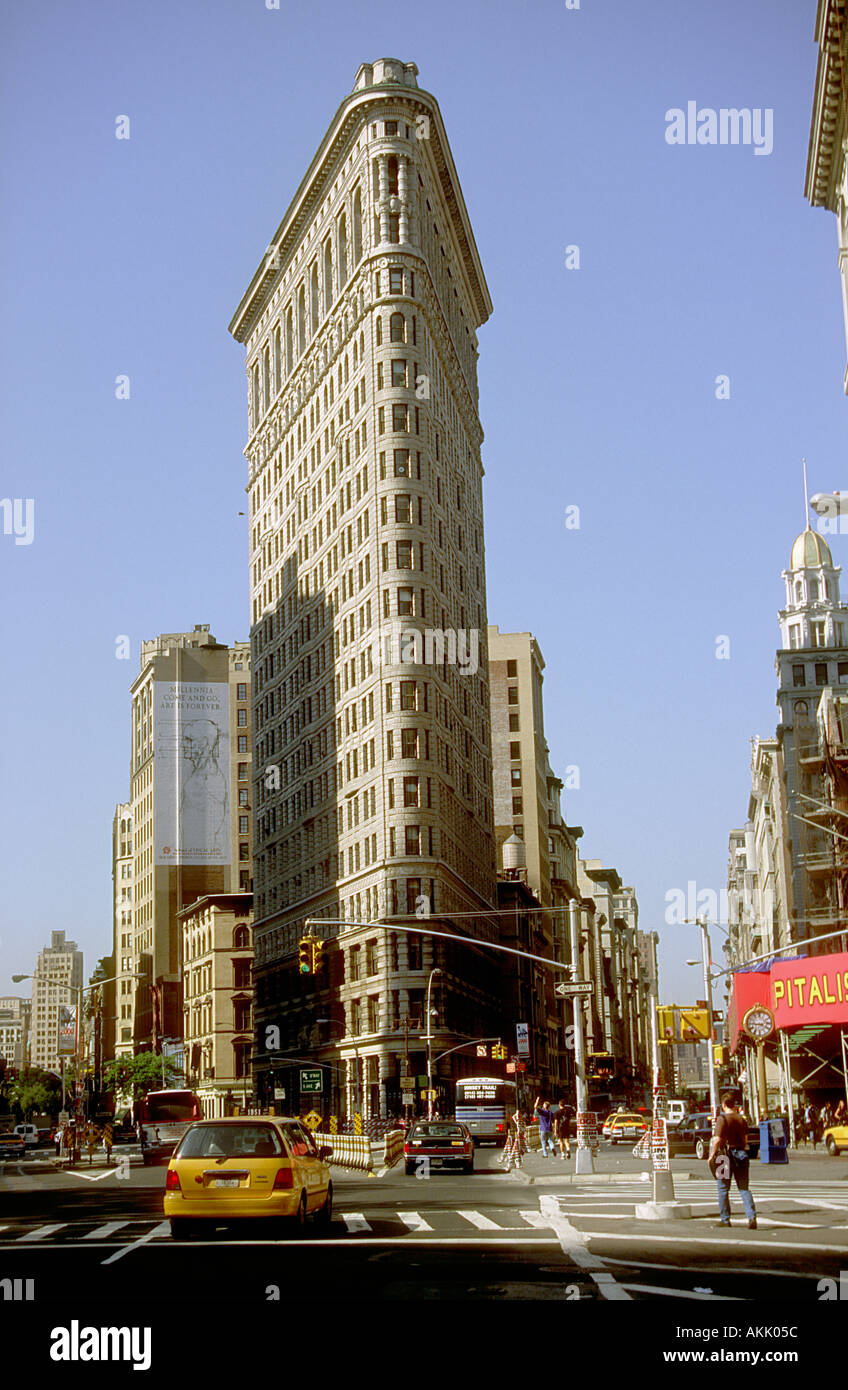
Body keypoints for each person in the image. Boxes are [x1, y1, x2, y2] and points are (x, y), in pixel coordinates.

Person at [710, 1092, 757, 1230]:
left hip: (724, 1156)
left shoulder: (722, 1119)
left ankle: (725, 1219)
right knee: (744, 1188)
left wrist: (712, 1155)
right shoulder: (741, 1119)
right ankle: (751, 1217)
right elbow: (745, 1140)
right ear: (733, 1104)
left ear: (723, 1105)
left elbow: (717, 1140)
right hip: (741, 1154)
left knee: (723, 1188)